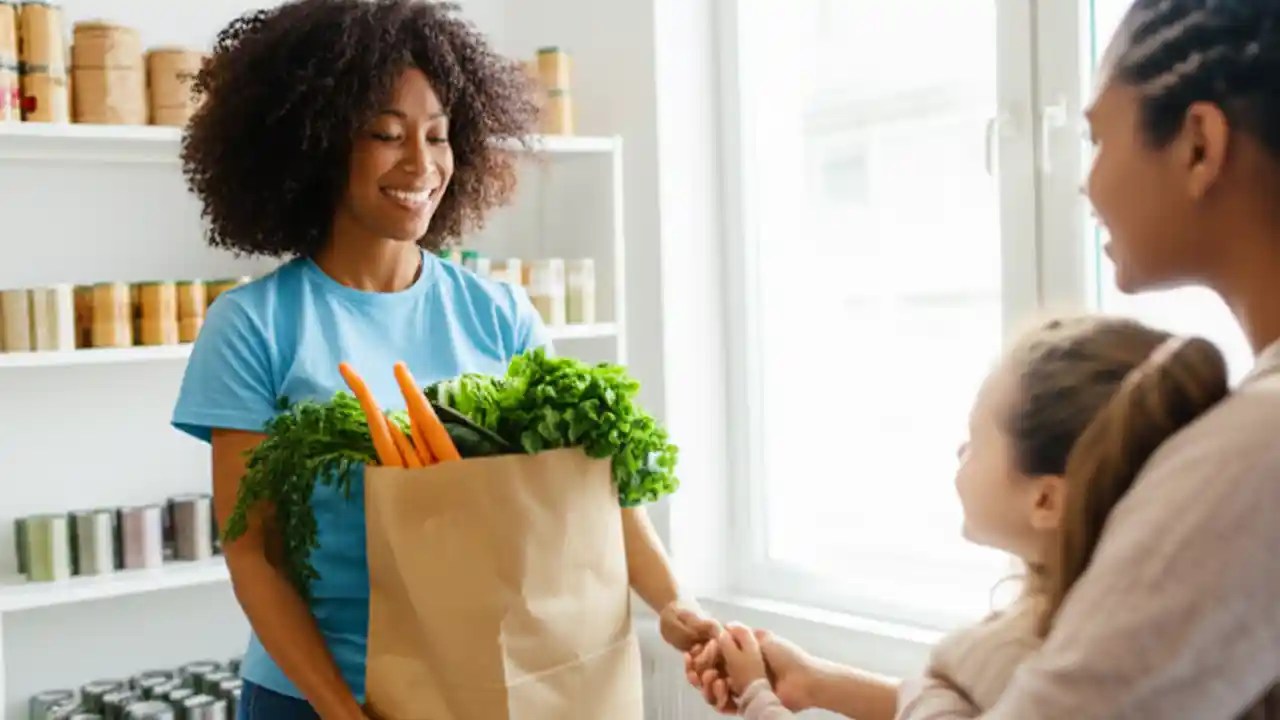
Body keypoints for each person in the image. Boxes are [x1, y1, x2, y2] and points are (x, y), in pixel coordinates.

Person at [691, 0, 1280, 716]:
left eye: (1096, 139)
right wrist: (819, 686)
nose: (1084, 181)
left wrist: (912, 690)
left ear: (1197, 144)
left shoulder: (1251, 454)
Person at [171, 2, 719, 718]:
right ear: (315, 143)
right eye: (386, 135)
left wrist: (675, 606)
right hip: (313, 697)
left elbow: (587, 495)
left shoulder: (498, 315)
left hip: (470, 681)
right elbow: (254, 554)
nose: (421, 165)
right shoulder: (253, 326)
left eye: (439, 135)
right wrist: (341, 710)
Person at [700, 316, 1229, 718]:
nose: (960, 451)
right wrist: (813, 684)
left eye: (976, 440)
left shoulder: (1040, 657)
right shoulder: (1107, 625)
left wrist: (756, 697)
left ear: (1046, 500)